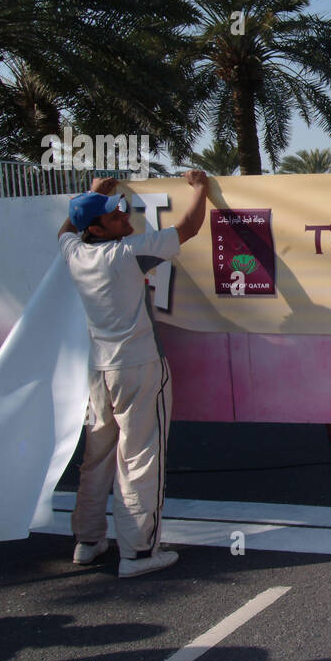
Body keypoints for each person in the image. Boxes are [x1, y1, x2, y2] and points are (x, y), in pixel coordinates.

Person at [57, 170, 209, 578]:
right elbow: (190, 227)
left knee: (97, 457)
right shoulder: (127, 254)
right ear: (98, 228)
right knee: (140, 457)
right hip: (139, 367)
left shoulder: (75, 250)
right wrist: (200, 188)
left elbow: (64, 230)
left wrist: (91, 196)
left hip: (99, 370)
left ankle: (88, 541)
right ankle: (138, 552)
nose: (125, 215)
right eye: (114, 214)